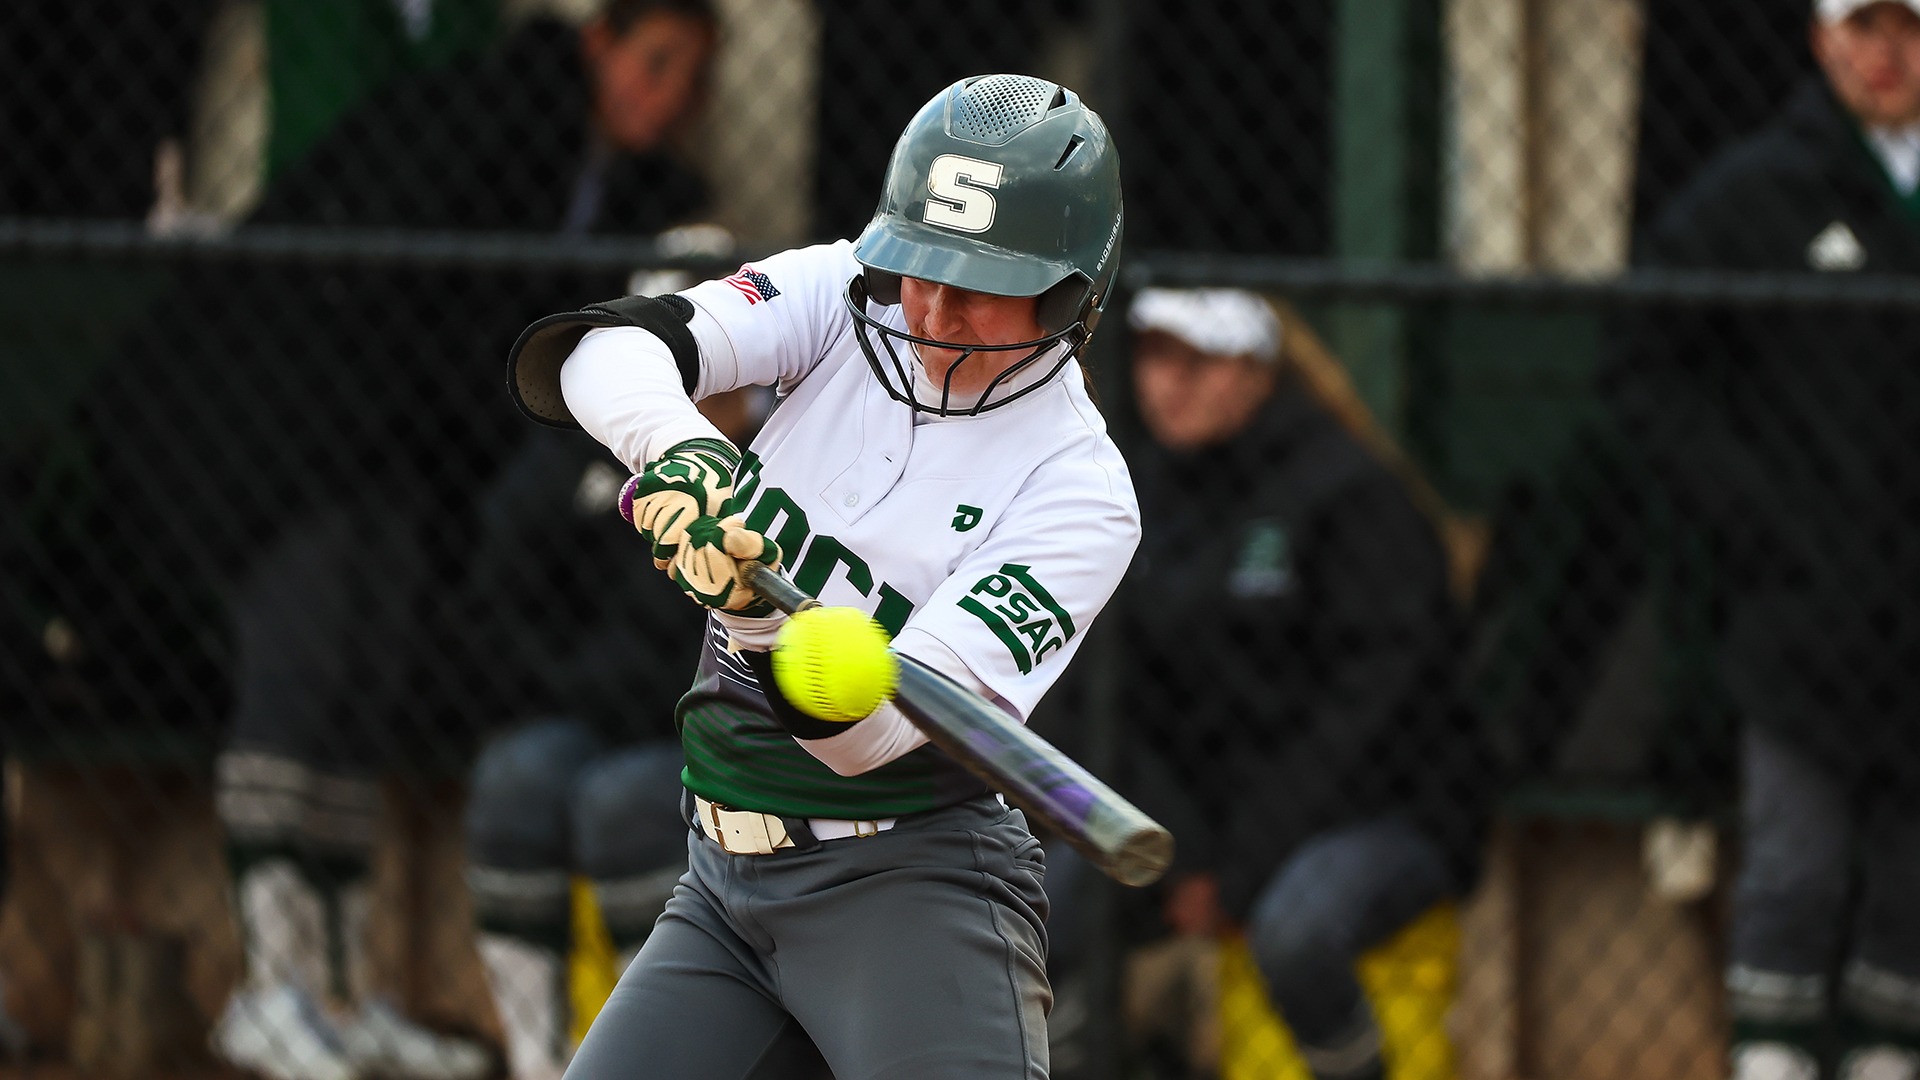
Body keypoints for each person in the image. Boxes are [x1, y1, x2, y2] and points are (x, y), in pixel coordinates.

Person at [77, 4, 722, 1079]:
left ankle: (334, 993)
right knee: (301, 673)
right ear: (599, 45)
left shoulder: (614, 188)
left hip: (380, 441)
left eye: (688, 82)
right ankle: (269, 987)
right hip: (280, 417)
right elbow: (445, 303)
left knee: (358, 688)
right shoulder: (509, 110)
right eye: (650, 63)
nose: (663, 99)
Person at [502, 72, 1136, 1079]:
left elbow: (877, 738)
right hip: (719, 881)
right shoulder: (843, 297)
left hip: (912, 889)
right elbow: (595, 355)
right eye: (921, 266)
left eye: (980, 286)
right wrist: (688, 457)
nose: (931, 310)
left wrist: (754, 608)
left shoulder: (1082, 491)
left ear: (1071, 295)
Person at [1604, 3, 1920, 1079]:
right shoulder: (1753, 193)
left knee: (1909, 879)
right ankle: (1773, 1055)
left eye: (1910, 29)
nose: (1887, 55)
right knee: (1797, 864)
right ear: (1823, 40)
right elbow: (1644, 368)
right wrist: (1757, 514)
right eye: (1864, 28)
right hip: (1799, 617)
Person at [1107, 288, 1487, 1080]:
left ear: (1258, 371)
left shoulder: (1354, 497)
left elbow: (1374, 715)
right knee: (1033, 903)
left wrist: (1239, 867)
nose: (1170, 383)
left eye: (1199, 360)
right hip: (1201, 830)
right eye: (1153, 355)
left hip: (1378, 814)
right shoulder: (1122, 495)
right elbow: (1107, 697)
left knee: (1296, 932)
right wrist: (1182, 853)